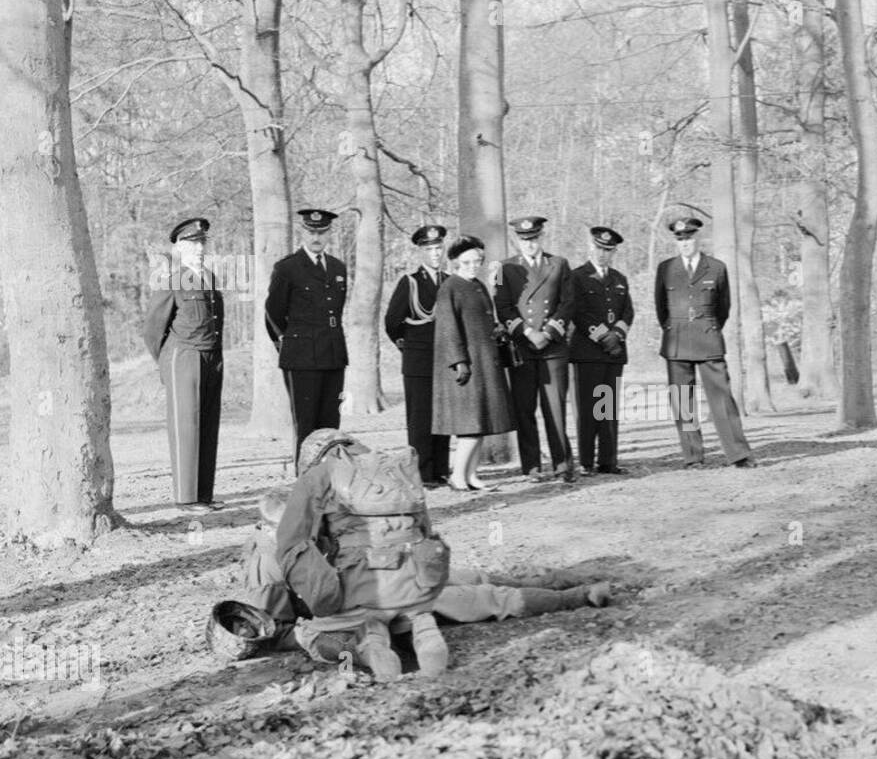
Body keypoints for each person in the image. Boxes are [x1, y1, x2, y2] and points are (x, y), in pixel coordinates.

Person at [240, 431, 611, 679]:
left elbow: (276, 610)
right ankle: (571, 594)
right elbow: (428, 535)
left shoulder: (301, 505)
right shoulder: (387, 477)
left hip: (353, 601)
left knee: (328, 635)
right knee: (490, 592)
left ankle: (377, 655)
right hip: (415, 583)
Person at [654, 211, 756, 468]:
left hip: (708, 339)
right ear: (676, 242)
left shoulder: (717, 268)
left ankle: (738, 454)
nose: (685, 243)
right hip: (676, 342)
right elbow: (660, 309)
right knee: (682, 401)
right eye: (680, 239)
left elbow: (724, 307)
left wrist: (707, 327)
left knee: (722, 399)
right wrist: (674, 329)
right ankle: (693, 456)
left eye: (689, 238)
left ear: (698, 239)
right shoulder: (666, 269)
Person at [142, 216, 225, 513]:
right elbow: (153, 328)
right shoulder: (171, 278)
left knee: (207, 424)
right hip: (184, 356)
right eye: (192, 243)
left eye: (202, 242)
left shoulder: (210, 278)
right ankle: (186, 498)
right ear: (178, 247)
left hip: (211, 356)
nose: (199, 248)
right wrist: (166, 363)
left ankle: (203, 494)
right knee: (186, 426)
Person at [495, 215, 576, 483]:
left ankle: (562, 464)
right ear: (517, 241)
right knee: (524, 409)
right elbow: (503, 306)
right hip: (523, 348)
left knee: (555, 407)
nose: (529, 244)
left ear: (541, 238)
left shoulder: (559, 264)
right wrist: (528, 331)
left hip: (553, 348)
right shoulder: (504, 268)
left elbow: (568, 303)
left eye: (533, 239)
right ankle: (531, 466)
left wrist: (549, 331)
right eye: (523, 240)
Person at [431, 235, 515, 491]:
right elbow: (447, 328)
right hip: (465, 367)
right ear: (456, 262)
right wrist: (459, 361)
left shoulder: (478, 284)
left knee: (481, 424)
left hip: (484, 363)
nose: (473, 265)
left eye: (477, 261)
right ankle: (458, 476)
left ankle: (471, 475)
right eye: (467, 261)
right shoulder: (450, 288)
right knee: (470, 426)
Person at [265, 207, 348, 455]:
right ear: (302, 231)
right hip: (301, 358)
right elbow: (273, 312)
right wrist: (287, 343)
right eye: (311, 231)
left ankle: (330, 480)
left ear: (329, 233)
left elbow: (336, 312)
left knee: (331, 425)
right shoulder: (288, 268)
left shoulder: (337, 267)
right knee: (307, 425)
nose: (316, 238)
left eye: (322, 232)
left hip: (333, 354)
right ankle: (307, 483)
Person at [384, 224, 451, 488]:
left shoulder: (449, 281)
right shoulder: (410, 283)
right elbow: (392, 321)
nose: (435, 254)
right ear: (420, 252)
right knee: (420, 418)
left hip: (446, 358)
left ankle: (441, 469)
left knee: (443, 416)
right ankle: (422, 473)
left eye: (438, 248)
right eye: (430, 249)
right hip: (418, 359)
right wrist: (407, 343)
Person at [570, 226, 634, 475]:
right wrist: (601, 335)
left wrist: (616, 335)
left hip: (613, 353)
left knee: (607, 409)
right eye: (598, 248)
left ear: (614, 252)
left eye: (608, 250)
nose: (602, 254)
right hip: (588, 352)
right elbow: (578, 311)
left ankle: (608, 461)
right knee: (588, 409)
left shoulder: (619, 279)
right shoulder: (577, 276)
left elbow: (627, 312)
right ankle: (586, 461)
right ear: (590, 247)